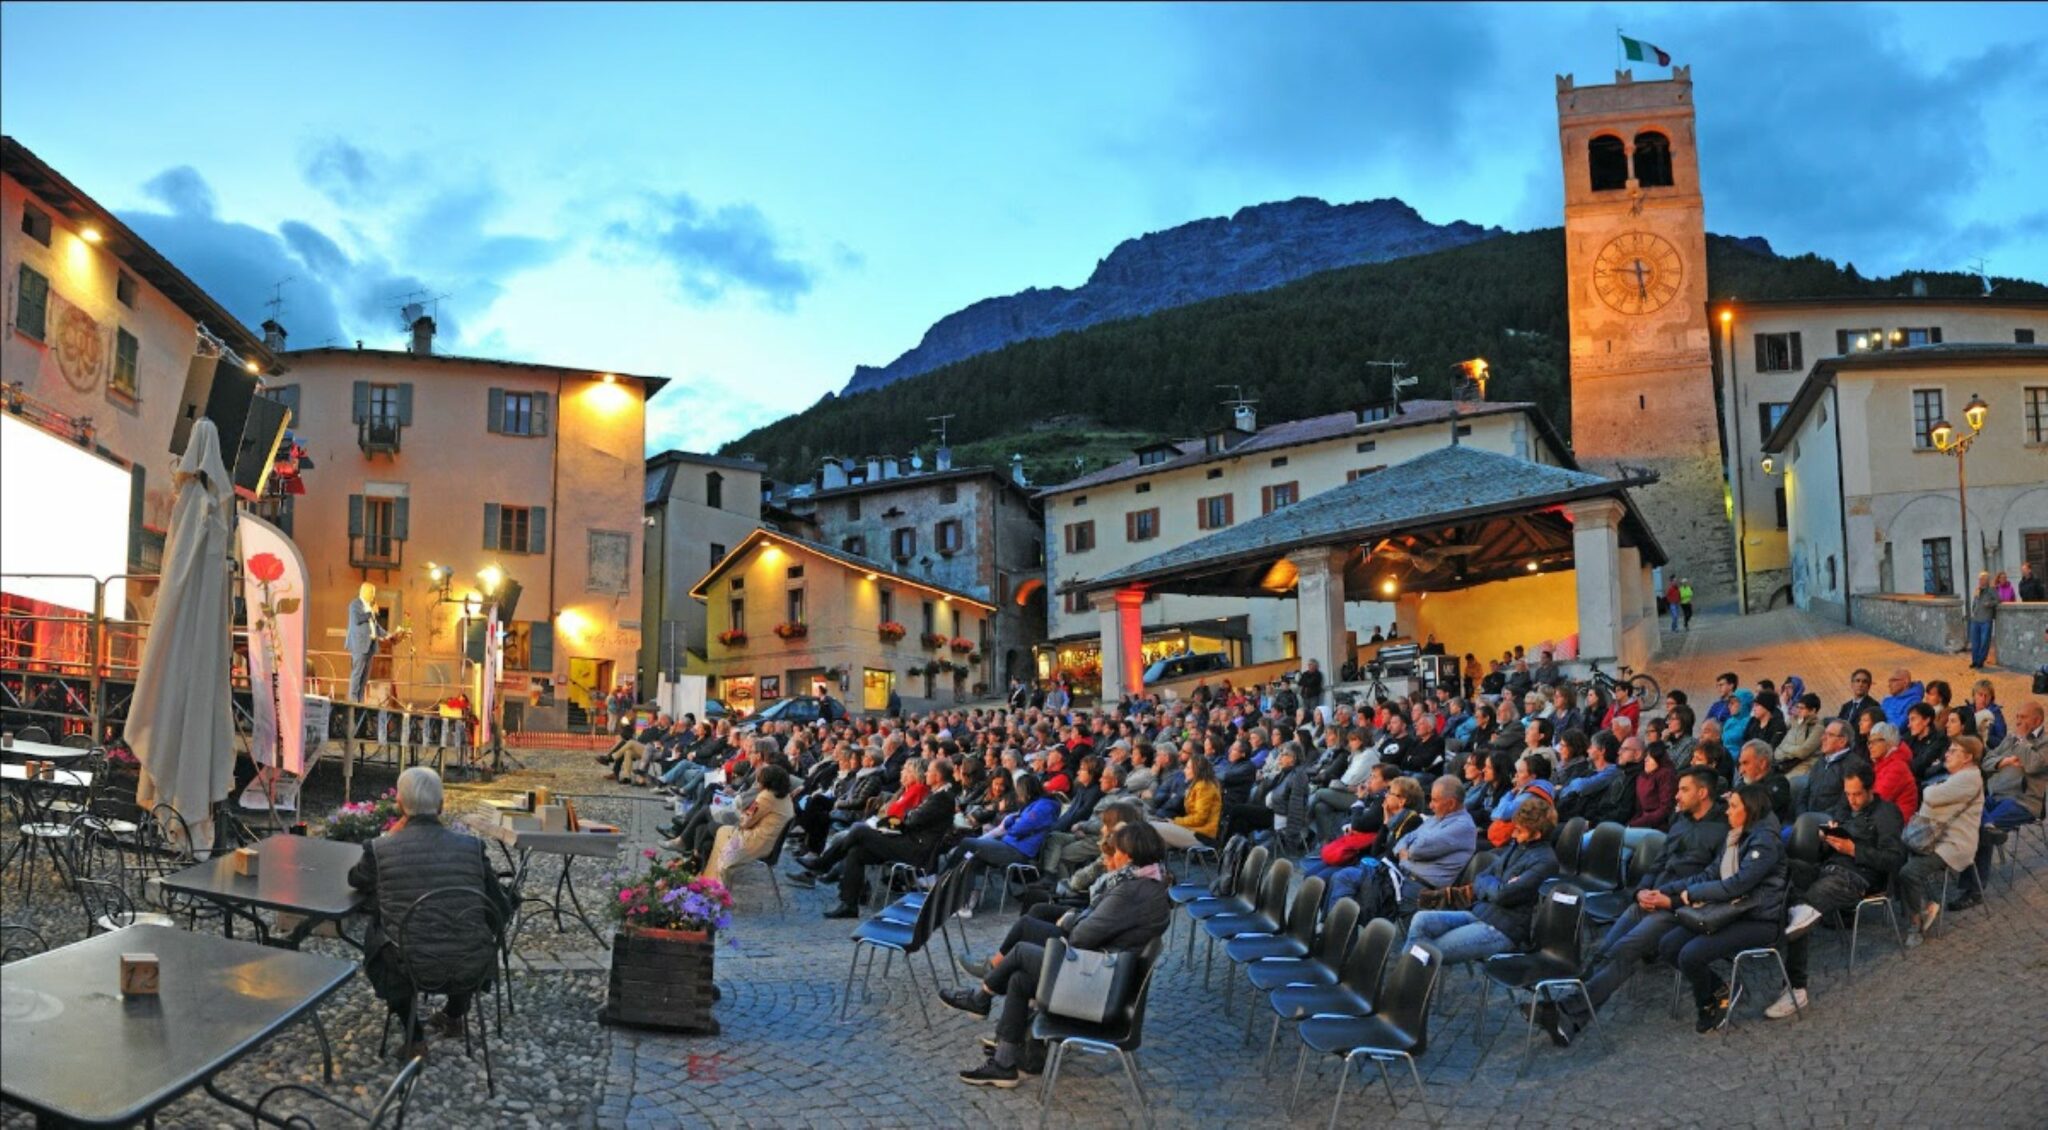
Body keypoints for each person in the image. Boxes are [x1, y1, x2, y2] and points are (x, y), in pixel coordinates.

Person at [942, 820, 1172, 1087]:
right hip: (1106, 972)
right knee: (1019, 978)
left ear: (1129, 855)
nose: (1112, 855)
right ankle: (1005, 1063)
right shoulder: (1145, 884)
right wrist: (1079, 920)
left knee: (1021, 953)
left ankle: (981, 998)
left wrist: (1074, 921)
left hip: (1101, 985)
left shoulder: (1131, 890)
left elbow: (1081, 936)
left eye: (1117, 850)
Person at [1541, 767, 1727, 1046]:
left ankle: (1569, 1010)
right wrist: (1641, 891)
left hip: (1680, 909)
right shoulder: (1680, 822)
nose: (1677, 795)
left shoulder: (1722, 830)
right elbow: (1659, 863)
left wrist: (1669, 898)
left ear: (1702, 793)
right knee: (1607, 948)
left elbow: (1711, 878)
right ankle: (1571, 1017)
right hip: (1653, 899)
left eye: (1684, 790)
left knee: (1625, 949)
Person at [346, 767, 512, 1059]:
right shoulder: (472, 847)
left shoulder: (380, 849)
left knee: (378, 933)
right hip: (470, 963)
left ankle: (415, 1038)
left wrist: (391, 836)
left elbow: (357, 879)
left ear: (399, 805)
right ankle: (454, 1014)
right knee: (465, 932)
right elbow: (499, 909)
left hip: (409, 964)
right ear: (441, 805)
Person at [1768, 766, 1904, 1018]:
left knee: (1804, 909)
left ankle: (1796, 988)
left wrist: (1854, 850)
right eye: (1848, 794)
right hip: (1828, 868)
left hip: (1859, 877)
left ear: (1870, 790)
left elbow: (1894, 859)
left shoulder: (1886, 814)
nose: (1851, 800)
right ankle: (1765, 934)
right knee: (1783, 869)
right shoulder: (1844, 807)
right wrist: (1826, 838)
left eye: (1857, 795)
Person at [1655, 782, 1788, 1033]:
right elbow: (1711, 873)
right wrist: (1668, 889)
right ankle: (1719, 987)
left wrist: (1690, 894)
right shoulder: (1736, 836)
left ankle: (1711, 1002)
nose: (1727, 811)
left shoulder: (1764, 843)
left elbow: (1736, 886)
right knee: (1668, 945)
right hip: (1731, 910)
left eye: (1734, 806)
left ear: (1750, 811)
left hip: (1758, 918)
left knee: (1691, 954)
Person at [1403, 795, 1560, 966]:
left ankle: (1408, 980)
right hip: (1481, 912)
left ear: (1536, 834)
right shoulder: (1518, 845)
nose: (1514, 834)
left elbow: (1503, 895)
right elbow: (1481, 877)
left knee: (1427, 952)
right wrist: (1496, 885)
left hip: (1504, 930)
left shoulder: (1545, 861)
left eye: (1520, 830)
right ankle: (1409, 975)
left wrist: (1495, 886)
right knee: (1421, 920)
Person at [1898, 738, 1984, 946]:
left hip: (1954, 844)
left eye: (1954, 751)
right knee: (1897, 857)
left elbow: (1931, 796)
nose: (1947, 753)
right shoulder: (1958, 776)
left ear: (1968, 757)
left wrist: (1930, 790)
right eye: (1949, 749)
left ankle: (1916, 925)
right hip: (1935, 838)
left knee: (1909, 872)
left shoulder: (1969, 778)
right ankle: (1922, 903)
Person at [703, 764, 795, 886]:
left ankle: (708, 881)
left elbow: (745, 822)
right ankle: (700, 867)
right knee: (708, 836)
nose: (758, 783)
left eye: (759, 780)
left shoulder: (766, 796)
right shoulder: (785, 797)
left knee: (713, 828)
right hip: (768, 842)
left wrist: (742, 813)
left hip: (754, 842)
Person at [345, 581, 390, 703]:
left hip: (370, 646)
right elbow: (357, 619)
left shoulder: (369, 607)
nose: (373, 595)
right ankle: (352, 702)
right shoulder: (355, 604)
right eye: (372, 592)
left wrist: (387, 634)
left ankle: (359, 702)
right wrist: (371, 612)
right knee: (357, 674)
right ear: (365, 592)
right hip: (359, 645)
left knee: (364, 678)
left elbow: (375, 626)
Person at [1967, 572, 1999, 669]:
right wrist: (1973, 610)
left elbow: (1997, 600)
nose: (1980, 581)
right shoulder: (1977, 590)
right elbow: (1974, 602)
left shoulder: (1991, 590)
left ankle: (1980, 660)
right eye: (1980, 579)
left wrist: (1989, 603)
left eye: (1982, 579)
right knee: (1975, 641)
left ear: (1987, 580)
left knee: (1984, 641)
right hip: (1975, 619)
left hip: (1986, 620)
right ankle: (1975, 661)